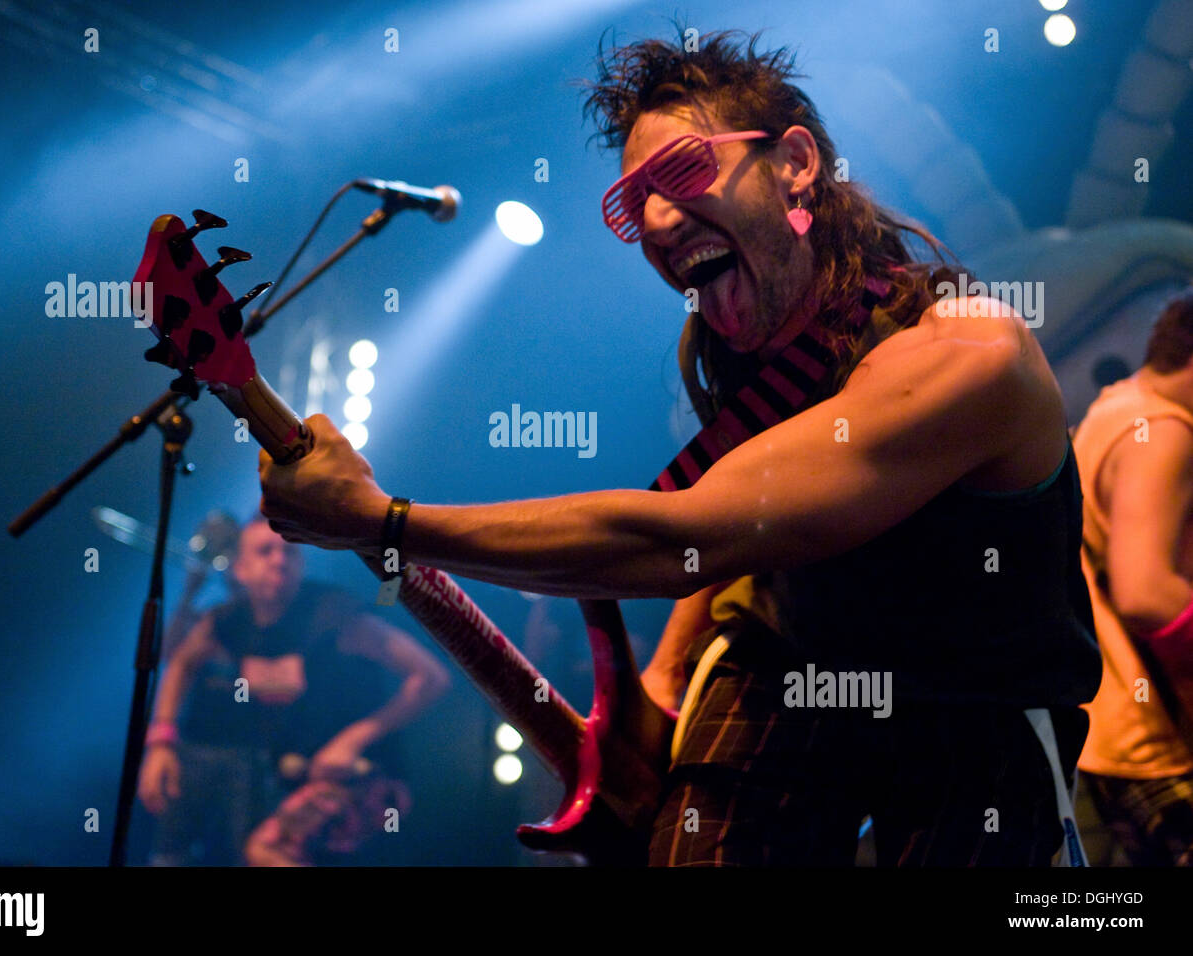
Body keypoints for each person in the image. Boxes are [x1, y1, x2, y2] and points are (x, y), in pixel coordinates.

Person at [257, 29, 1100, 866]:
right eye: (634, 202)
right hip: (790, 666)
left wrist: (384, 523)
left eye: (686, 172)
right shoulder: (742, 341)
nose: (658, 221)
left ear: (796, 164)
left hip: (975, 706)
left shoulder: (966, 357)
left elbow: (690, 536)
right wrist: (660, 689)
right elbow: (750, 523)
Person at [138, 516, 449, 865]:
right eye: (264, 551)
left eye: (289, 552)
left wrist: (353, 739)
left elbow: (431, 677)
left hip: (366, 777)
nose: (279, 559)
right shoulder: (228, 621)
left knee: (264, 850)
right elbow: (178, 661)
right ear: (238, 569)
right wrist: (161, 742)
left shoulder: (332, 614)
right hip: (297, 774)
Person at [1074, 290, 1193, 866]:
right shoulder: (1164, 430)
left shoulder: (1121, 405)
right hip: (1152, 737)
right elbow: (1145, 591)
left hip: (1112, 722)